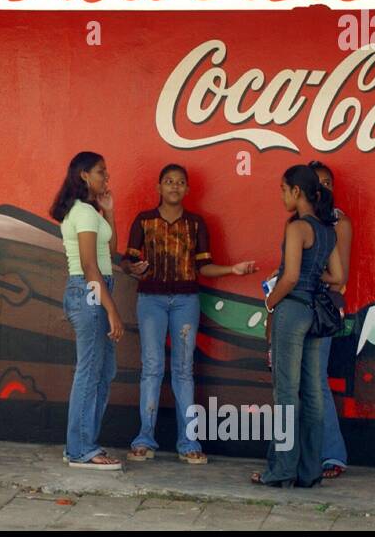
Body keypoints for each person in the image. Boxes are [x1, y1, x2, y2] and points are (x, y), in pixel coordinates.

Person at [122, 164, 256, 464]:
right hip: (151, 300)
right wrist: (135, 268)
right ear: (158, 187)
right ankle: (144, 439)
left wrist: (231, 270)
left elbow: (202, 267)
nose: (174, 187)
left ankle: (188, 442)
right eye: (168, 181)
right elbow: (127, 262)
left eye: (180, 182)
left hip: (186, 300)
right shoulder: (144, 221)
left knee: (184, 370)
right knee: (152, 368)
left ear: (188, 189)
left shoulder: (197, 224)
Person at [252, 165, 345, 488]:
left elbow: (289, 277)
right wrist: (313, 273)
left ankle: (281, 469)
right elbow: (337, 277)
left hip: (292, 311)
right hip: (315, 314)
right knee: (313, 393)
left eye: (283, 189)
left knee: (286, 393)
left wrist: (268, 303)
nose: (281, 196)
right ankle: (309, 471)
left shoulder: (297, 228)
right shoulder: (327, 230)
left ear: (296, 192)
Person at [50, 151, 123, 470]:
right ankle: (80, 449)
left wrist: (109, 212)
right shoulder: (81, 212)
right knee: (90, 371)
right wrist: (112, 311)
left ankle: (83, 444)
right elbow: (90, 265)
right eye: (100, 172)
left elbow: (111, 251)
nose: (106, 177)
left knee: (103, 372)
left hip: (95, 289)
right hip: (89, 290)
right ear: (83, 175)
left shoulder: (92, 212)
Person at [309, 160, 352, 479]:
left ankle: (333, 454)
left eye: (328, 182)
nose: (323, 187)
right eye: (317, 182)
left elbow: (340, 278)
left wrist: (301, 276)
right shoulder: (300, 220)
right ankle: (303, 453)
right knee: (296, 381)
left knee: (316, 379)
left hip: (324, 306)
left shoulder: (340, 222)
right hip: (299, 303)